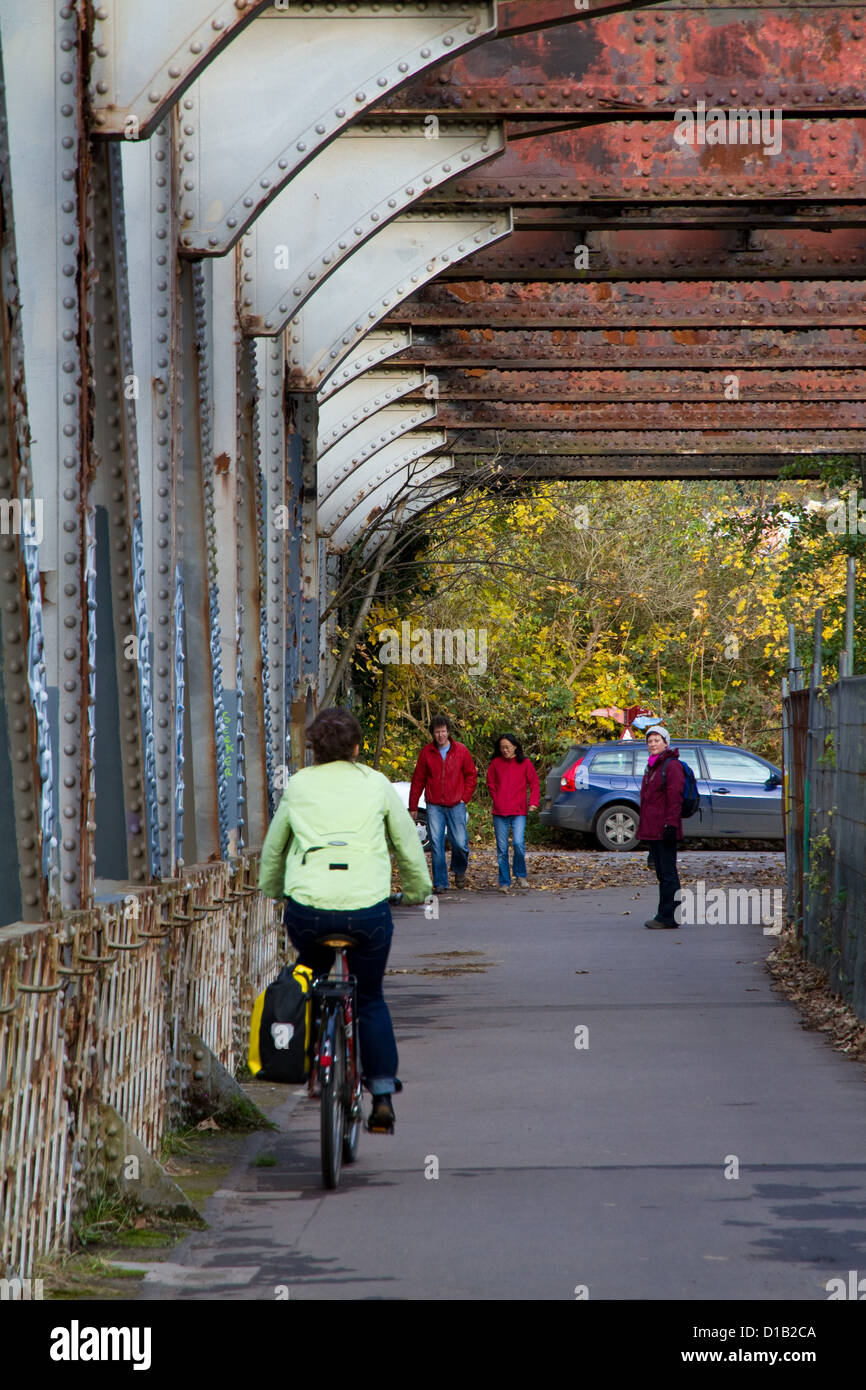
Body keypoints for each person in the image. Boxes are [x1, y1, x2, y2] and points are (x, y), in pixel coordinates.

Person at [257, 707, 431, 1132]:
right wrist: (416, 891)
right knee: (369, 997)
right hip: (366, 913)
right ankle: (383, 1094)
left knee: (309, 974)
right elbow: (407, 845)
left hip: (309, 912)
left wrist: (275, 889)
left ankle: (316, 1053)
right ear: (356, 747)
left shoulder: (298, 785)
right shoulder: (375, 784)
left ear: (314, 749)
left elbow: (275, 850)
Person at [408, 714, 477, 893]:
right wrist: (413, 806)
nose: (441, 735)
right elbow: (418, 780)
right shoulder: (427, 753)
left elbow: (471, 775)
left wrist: (465, 797)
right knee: (437, 844)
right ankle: (440, 883)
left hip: (456, 804)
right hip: (434, 805)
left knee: (460, 843)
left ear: (448, 732)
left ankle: (459, 870)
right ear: (433, 734)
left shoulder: (461, 750)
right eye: (437, 732)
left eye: (443, 731)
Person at [637, 724, 685, 929]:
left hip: (665, 828)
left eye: (657, 740)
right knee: (662, 873)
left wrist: (670, 825)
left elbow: (675, 797)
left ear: (666, 742)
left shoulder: (671, 765)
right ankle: (666, 914)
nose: (652, 744)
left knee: (667, 874)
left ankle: (668, 916)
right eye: (650, 741)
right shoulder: (652, 766)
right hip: (653, 829)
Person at [486, 733, 540, 892]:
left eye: (507, 747)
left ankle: (520, 875)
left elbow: (534, 783)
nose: (505, 750)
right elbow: (490, 783)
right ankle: (504, 882)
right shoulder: (495, 763)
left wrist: (533, 803)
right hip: (499, 811)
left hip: (518, 811)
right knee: (502, 849)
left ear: (515, 746)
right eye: (502, 747)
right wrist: (496, 798)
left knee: (518, 844)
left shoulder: (525, 763)